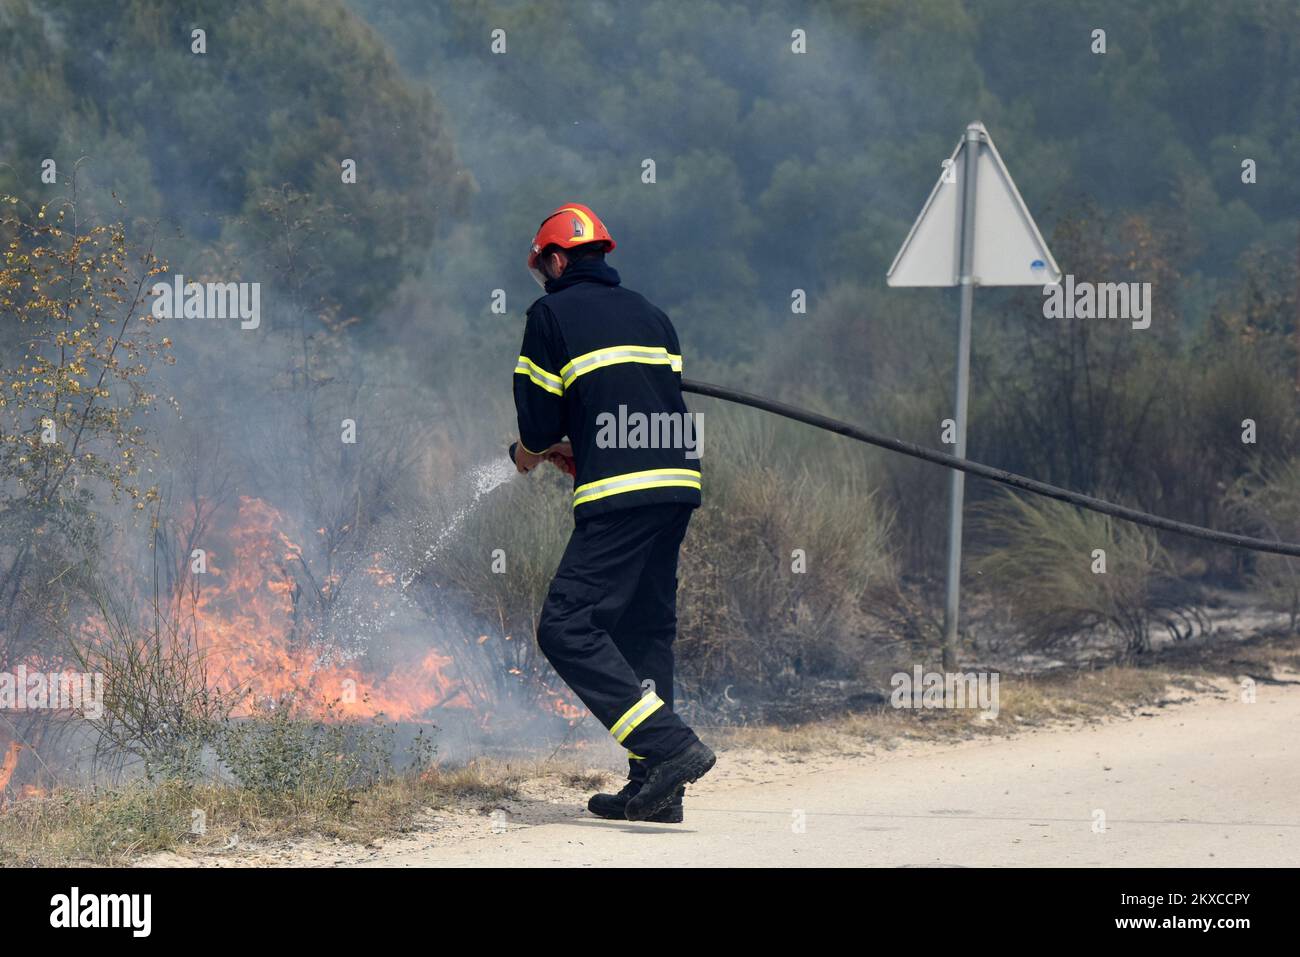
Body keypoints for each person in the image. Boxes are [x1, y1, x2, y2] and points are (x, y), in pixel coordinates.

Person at [512, 203, 715, 823]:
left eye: (542, 267)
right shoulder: (652, 315)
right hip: (676, 483)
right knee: (643, 630)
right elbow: (637, 403)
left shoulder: (549, 314)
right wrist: (583, 445)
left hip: (621, 493)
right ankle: (657, 789)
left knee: (566, 627)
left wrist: (530, 454)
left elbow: (540, 425)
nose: (542, 279)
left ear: (554, 259)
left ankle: (669, 747)